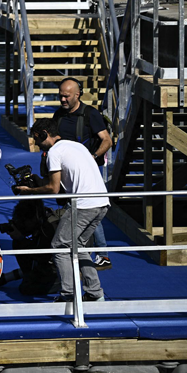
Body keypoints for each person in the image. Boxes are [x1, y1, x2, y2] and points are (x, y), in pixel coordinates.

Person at [14, 118, 109, 302]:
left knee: (59, 246)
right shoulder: (77, 146)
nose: (37, 145)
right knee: (78, 246)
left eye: (37, 139)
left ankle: (68, 295)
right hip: (102, 203)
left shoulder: (54, 152)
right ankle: (94, 292)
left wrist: (30, 190)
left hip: (83, 205)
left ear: (44, 134)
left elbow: (53, 188)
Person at [52, 77, 113, 268]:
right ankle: (79, 249)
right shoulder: (58, 115)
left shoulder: (90, 114)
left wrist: (92, 158)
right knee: (75, 210)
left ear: (78, 95)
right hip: (66, 172)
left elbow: (107, 140)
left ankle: (102, 253)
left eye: (67, 96)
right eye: (60, 96)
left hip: (86, 171)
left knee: (88, 207)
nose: (63, 100)